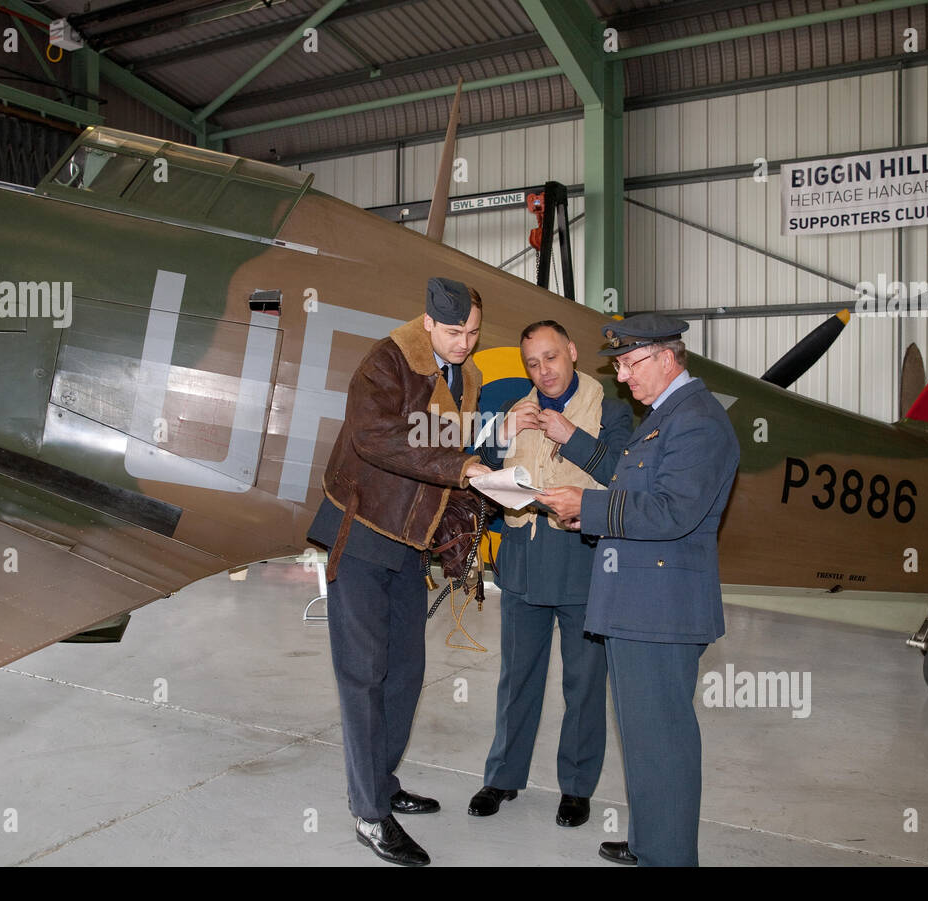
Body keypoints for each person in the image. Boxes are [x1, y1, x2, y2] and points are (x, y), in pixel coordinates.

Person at [536, 314, 740, 867]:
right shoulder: (665, 417)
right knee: (645, 743)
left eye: (629, 363)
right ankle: (653, 840)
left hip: (661, 613)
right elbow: (634, 492)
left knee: (663, 745)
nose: (622, 376)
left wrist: (588, 507)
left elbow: (673, 511)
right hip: (638, 608)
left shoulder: (695, 420)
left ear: (666, 357)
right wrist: (588, 513)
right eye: (620, 364)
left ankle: (667, 857)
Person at [307, 276, 490, 866]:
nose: (466, 342)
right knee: (363, 677)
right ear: (430, 323)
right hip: (360, 535)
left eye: (474, 332)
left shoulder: (469, 377)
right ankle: (368, 814)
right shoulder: (385, 363)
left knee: (405, 673)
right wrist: (462, 470)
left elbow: (443, 453)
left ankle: (382, 783)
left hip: (411, 545)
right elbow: (375, 438)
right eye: (456, 332)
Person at [468, 320, 630, 827]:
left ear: (573, 353)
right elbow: (479, 463)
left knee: (583, 686)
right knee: (516, 680)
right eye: (533, 363)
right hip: (522, 564)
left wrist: (572, 437)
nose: (544, 371)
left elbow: (625, 476)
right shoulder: (518, 408)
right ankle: (503, 777)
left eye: (552, 358)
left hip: (584, 567)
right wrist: (500, 438)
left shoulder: (612, 410)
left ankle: (577, 788)